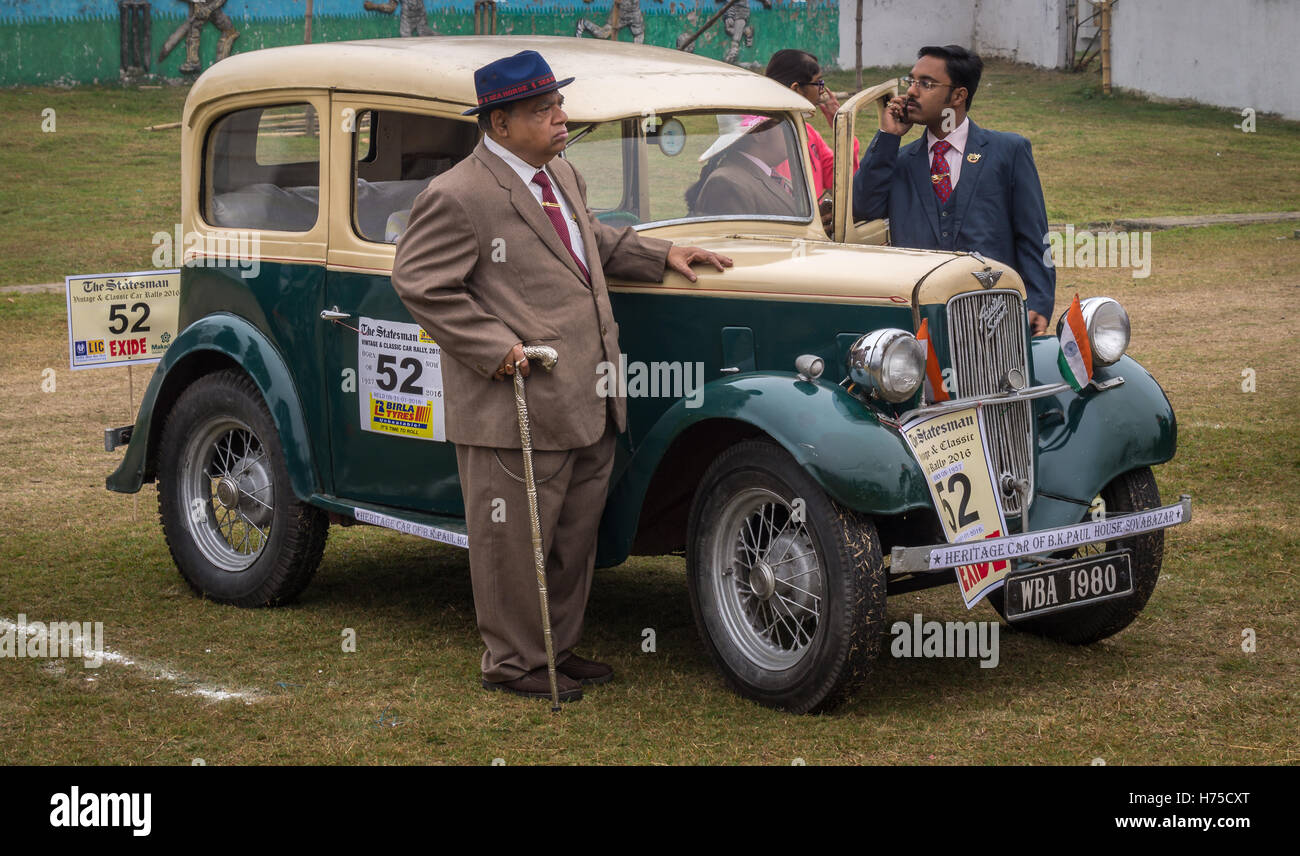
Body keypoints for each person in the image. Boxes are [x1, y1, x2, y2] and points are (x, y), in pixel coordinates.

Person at [391, 50, 731, 703]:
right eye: (544, 111)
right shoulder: (459, 193)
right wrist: (496, 348)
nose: (560, 119)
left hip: (586, 395)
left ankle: (555, 651)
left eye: (558, 105)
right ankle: (512, 662)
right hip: (513, 401)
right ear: (501, 122)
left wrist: (664, 254)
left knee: (572, 538)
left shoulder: (563, 176)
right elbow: (420, 282)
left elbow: (591, 244)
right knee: (513, 542)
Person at [852, 45, 1055, 332]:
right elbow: (863, 206)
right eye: (911, 81)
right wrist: (888, 137)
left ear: (958, 96)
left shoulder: (1008, 151)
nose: (911, 91)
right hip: (919, 317)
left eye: (926, 84)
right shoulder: (898, 160)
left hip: (993, 313)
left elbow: (1034, 237)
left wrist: (1039, 301)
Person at [764, 48, 860, 224]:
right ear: (797, 89)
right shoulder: (765, 136)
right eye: (818, 83)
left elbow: (842, 181)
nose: (822, 91)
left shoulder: (808, 133)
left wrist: (842, 129)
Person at [687, 114, 807, 218]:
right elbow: (737, 243)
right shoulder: (727, 182)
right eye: (783, 126)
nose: (789, 133)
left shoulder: (772, 177)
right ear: (759, 134)